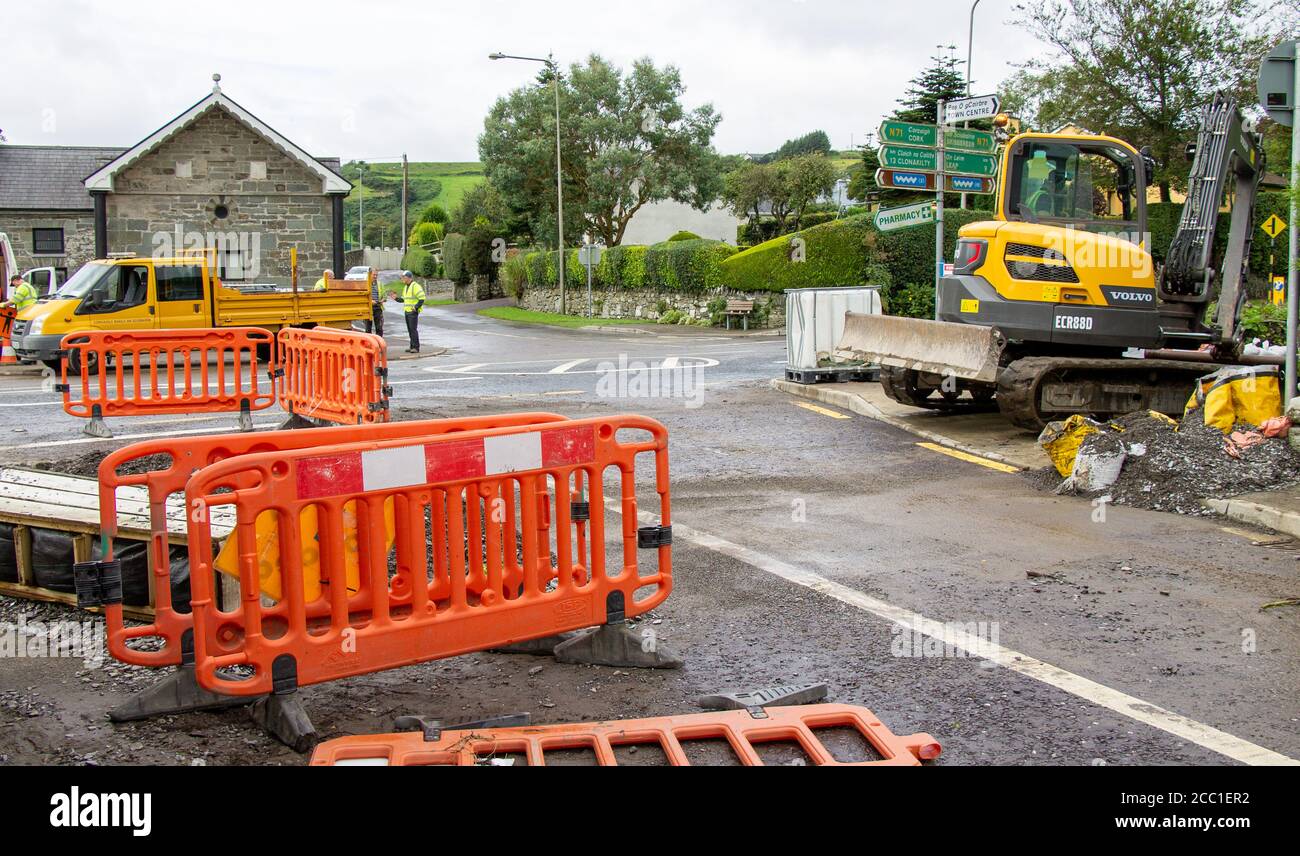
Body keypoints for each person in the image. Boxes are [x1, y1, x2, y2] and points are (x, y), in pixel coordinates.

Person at [399, 270, 425, 353]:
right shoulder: (406, 287)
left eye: (404, 277)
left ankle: (416, 347)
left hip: (412, 312)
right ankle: (412, 346)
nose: (402, 279)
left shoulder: (415, 286)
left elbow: (422, 298)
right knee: (410, 330)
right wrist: (395, 298)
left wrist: (416, 307)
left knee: (413, 329)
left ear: (409, 278)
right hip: (407, 311)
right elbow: (403, 299)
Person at [368, 268, 383, 335]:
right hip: (368, 307)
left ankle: (379, 342)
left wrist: (383, 299)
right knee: (368, 327)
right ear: (369, 274)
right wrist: (370, 301)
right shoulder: (366, 284)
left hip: (377, 307)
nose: (375, 276)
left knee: (379, 327)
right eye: (374, 275)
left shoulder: (379, 284)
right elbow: (362, 296)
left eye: (376, 275)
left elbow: (384, 295)